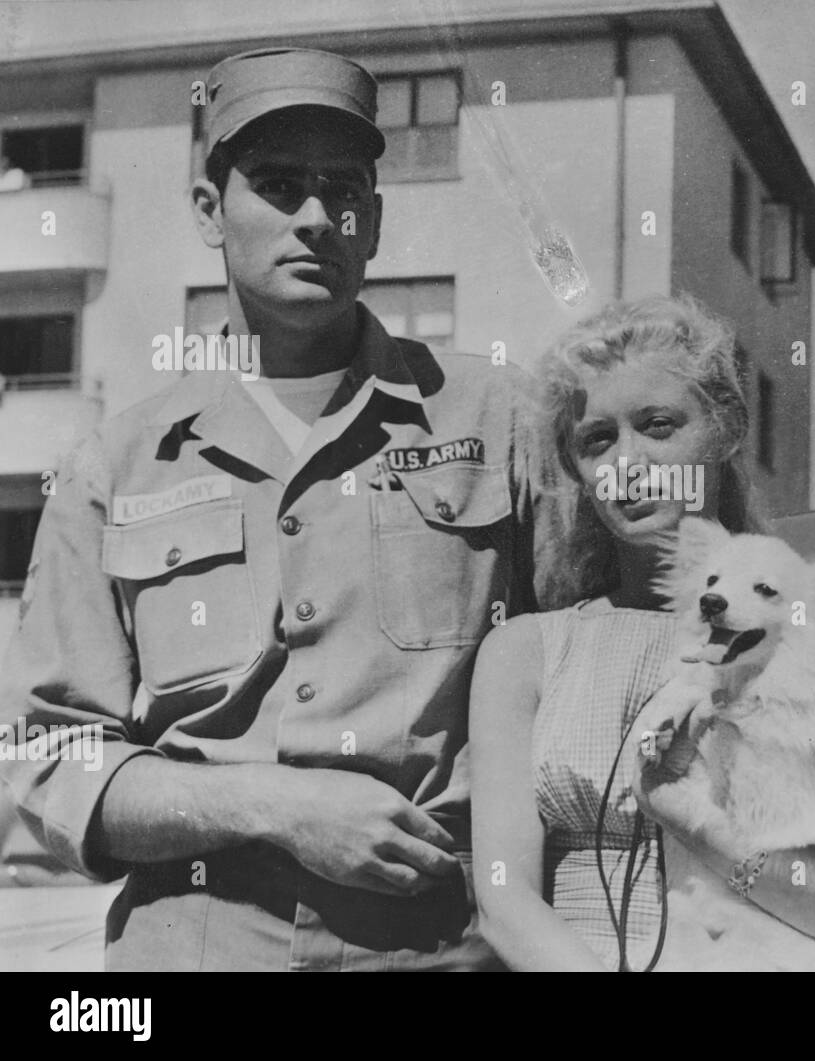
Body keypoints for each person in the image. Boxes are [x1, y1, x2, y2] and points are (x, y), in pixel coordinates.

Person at [0, 47, 560, 971]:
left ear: (374, 223)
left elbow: (594, 678)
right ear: (211, 212)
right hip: (194, 945)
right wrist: (275, 806)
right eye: (278, 183)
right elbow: (56, 758)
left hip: (440, 944)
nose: (315, 216)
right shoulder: (118, 464)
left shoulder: (502, 418)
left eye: (343, 189)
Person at [469, 294, 815, 970]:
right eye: (597, 439)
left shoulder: (814, 632)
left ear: (725, 429)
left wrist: (700, 826)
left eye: (657, 424)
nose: (628, 461)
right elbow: (503, 902)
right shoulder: (526, 650)